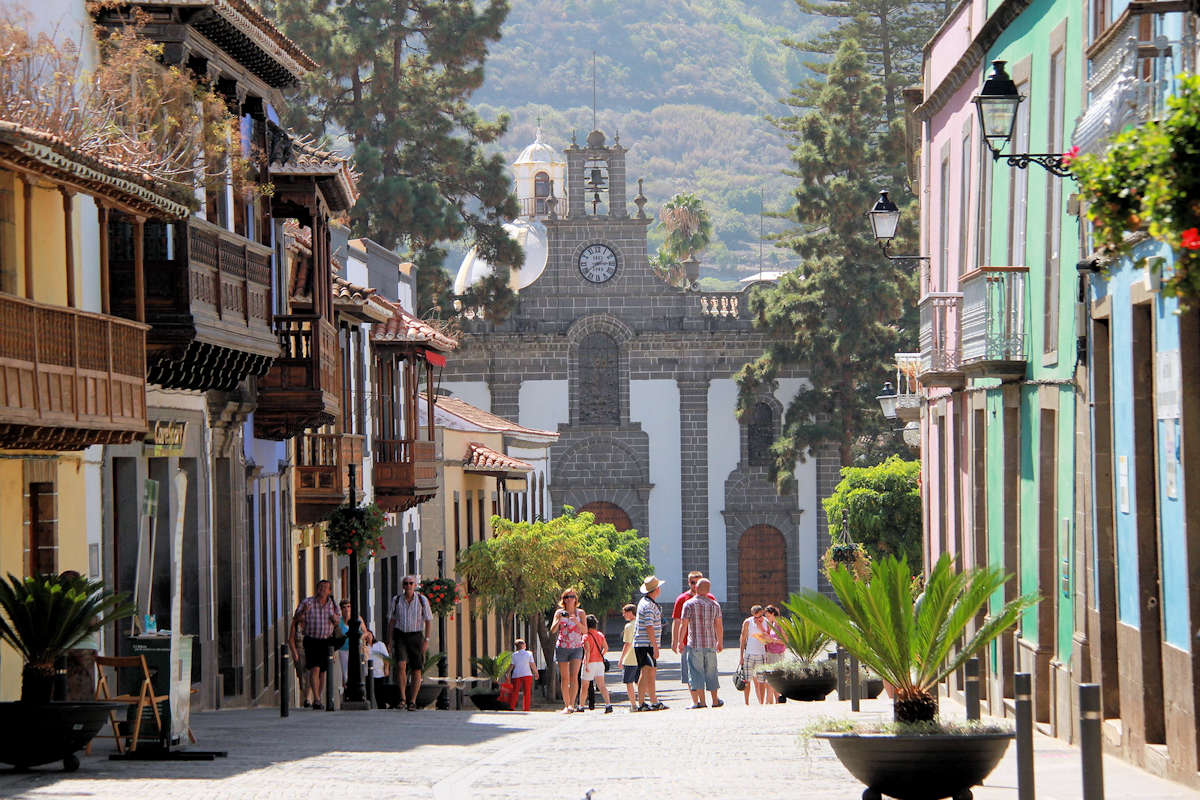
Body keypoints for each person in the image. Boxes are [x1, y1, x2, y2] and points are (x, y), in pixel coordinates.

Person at [291, 579, 340, 710]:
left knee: (323, 671)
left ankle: (318, 694)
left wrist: (334, 619)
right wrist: (303, 612)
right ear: (317, 589)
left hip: (326, 640)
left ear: (329, 591)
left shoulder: (333, 605)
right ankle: (317, 699)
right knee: (315, 668)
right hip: (311, 640)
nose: (323, 590)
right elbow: (296, 618)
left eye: (326, 588)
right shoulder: (308, 602)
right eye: (321, 587)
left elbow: (337, 620)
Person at [388, 575, 433, 711]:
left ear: (415, 585)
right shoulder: (396, 601)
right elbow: (391, 621)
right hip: (400, 635)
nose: (408, 586)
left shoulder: (422, 600)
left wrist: (427, 639)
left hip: (416, 635)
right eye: (406, 583)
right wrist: (389, 640)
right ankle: (402, 698)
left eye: (410, 583)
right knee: (401, 664)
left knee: (416, 668)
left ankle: (412, 700)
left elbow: (428, 620)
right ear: (403, 586)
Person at [679, 577, 724, 708]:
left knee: (695, 672)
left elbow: (684, 624)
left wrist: (680, 641)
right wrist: (719, 642)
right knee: (711, 672)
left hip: (694, 644)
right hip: (710, 643)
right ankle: (715, 701)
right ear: (709, 590)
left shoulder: (688, 604)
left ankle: (702, 702)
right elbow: (719, 626)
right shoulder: (715, 605)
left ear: (696, 588)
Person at [550, 587, 587, 713]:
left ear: (576, 599)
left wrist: (576, 621)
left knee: (574, 676)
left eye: (571, 597)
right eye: (566, 597)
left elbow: (585, 631)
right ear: (563, 599)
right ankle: (566, 705)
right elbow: (553, 630)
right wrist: (559, 620)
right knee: (564, 677)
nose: (569, 599)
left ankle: (572, 703)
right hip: (562, 647)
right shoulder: (559, 613)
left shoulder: (580, 613)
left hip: (576, 647)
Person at [634, 575, 667, 711]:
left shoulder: (647, 602)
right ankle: (646, 702)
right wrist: (655, 646)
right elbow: (649, 626)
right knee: (648, 671)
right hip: (646, 644)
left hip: (644, 644)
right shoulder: (648, 605)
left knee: (648, 671)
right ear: (656, 589)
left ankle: (648, 701)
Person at [671, 570, 705, 687]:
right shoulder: (681, 599)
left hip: (705, 642)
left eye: (698, 582)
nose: (695, 585)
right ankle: (695, 700)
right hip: (686, 642)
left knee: (705, 672)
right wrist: (675, 641)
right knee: (689, 673)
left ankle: (703, 699)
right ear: (688, 583)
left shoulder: (710, 598)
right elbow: (676, 621)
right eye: (692, 582)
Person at [739, 605, 773, 705]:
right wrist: (741, 656)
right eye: (755, 617)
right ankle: (746, 703)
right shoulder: (748, 622)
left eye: (759, 616)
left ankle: (761, 702)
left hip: (761, 654)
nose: (758, 619)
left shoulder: (766, 622)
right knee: (747, 680)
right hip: (749, 653)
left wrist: (761, 628)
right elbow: (743, 639)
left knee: (761, 680)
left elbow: (769, 637)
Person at [582, 615, 613, 713]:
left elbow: (587, 651)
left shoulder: (586, 636)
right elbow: (606, 647)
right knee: (602, 685)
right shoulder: (600, 634)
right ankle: (608, 704)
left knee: (584, 686)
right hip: (599, 663)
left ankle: (581, 706)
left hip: (590, 662)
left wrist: (586, 664)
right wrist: (601, 655)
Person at [337, 599, 367, 689]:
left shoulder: (358, 619)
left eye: (349, 606)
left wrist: (360, 638)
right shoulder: (339, 621)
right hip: (343, 650)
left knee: (358, 671)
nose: (346, 609)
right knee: (346, 673)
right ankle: (348, 691)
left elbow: (366, 632)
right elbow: (335, 635)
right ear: (341, 609)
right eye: (344, 607)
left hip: (356, 650)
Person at [761, 604, 787, 702]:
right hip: (771, 653)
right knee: (772, 679)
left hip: (777, 654)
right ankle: (775, 701)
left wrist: (772, 640)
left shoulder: (781, 624)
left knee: (773, 679)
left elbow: (785, 641)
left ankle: (768, 702)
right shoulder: (773, 624)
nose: (767, 618)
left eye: (768, 616)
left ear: (773, 614)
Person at [365, 629, 396, 708]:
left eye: (370, 635)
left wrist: (386, 668)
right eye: (366, 635)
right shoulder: (365, 647)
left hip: (379, 673)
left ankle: (382, 707)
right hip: (368, 673)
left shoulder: (380, 644)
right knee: (369, 692)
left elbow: (386, 657)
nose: (368, 637)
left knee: (379, 693)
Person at [618, 603, 641, 711]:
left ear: (630, 612)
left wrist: (621, 658)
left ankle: (633, 704)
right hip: (640, 656)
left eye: (625, 613)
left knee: (629, 682)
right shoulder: (640, 623)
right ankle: (642, 702)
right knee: (639, 681)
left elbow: (627, 644)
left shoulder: (629, 626)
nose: (623, 615)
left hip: (630, 658)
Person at [509, 638, 538, 711]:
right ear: (523, 645)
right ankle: (526, 708)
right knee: (527, 692)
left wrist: (508, 673)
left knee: (515, 691)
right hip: (527, 674)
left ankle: (511, 707)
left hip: (516, 675)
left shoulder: (514, 655)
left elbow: (512, 665)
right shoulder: (529, 653)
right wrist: (536, 672)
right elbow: (532, 664)